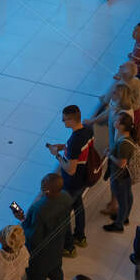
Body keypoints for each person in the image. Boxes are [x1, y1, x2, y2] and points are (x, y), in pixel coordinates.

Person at [19, 174, 71, 280]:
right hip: (57, 247)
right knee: (57, 274)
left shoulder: (39, 208)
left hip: (39, 255)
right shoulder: (66, 198)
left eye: (43, 184)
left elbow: (33, 237)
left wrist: (23, 223)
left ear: (47, 190)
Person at [47, 105, 94, 250]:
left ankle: (68, 247)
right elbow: (78, 151)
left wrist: (57, 156)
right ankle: (80, 237)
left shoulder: (75, 141)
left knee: (64, 215)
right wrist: (62, 147)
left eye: (65, 119)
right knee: (79, 207)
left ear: (72, 120)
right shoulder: (86, 130)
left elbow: (70, 169)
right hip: (83, 179)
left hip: (72, 183)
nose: (62, 121)